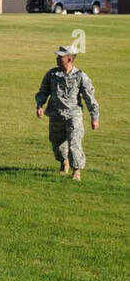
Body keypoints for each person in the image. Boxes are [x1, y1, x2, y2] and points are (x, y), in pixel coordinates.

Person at [35, 45, 100, 181]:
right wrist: (40, 105)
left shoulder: (80, 76)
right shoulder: (52, 74)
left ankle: (76, 171)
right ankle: (64, 162)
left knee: (74, 143)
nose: (57, 59)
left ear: (69, 59)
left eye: (60, 57)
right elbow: (43, 91)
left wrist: (94, 117)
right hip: (56, 114)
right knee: (57, 145)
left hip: (74, 115)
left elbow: (89, 97)